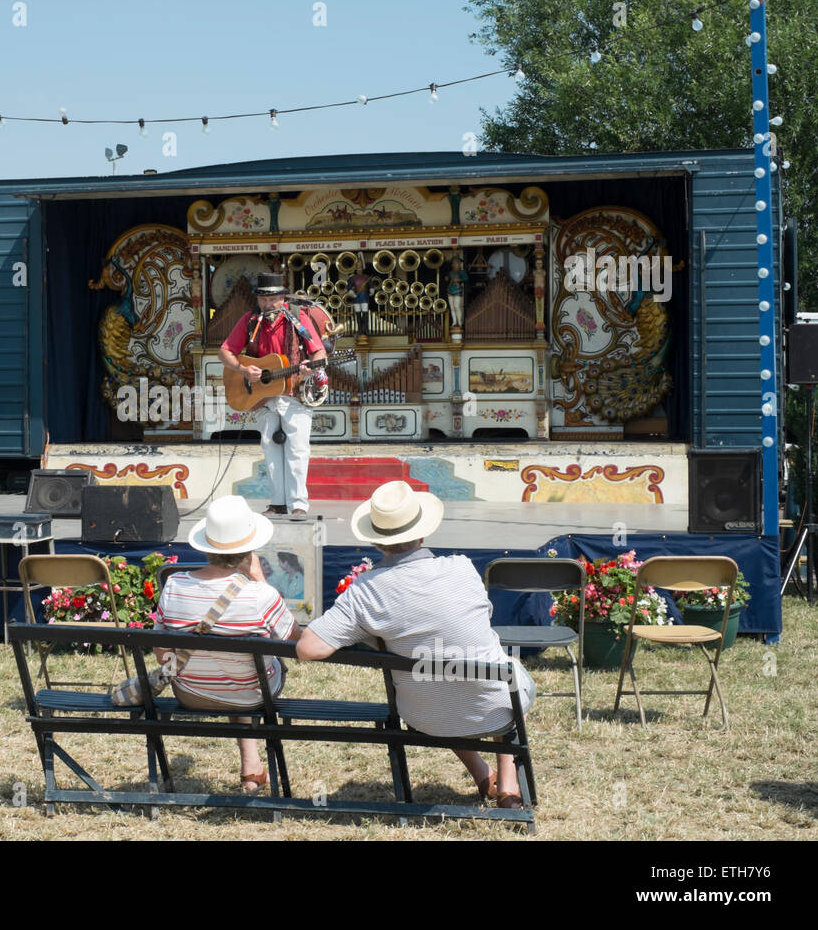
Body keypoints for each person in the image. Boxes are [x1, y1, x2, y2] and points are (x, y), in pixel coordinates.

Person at [296, 481, 536, 809]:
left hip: (425, 715)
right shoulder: (463, 568)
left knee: (439, 685)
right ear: (422, 533)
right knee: (492, 677)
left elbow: (308, 649)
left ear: (375, 541)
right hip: (494, 705)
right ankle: (507, 787)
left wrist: (368, 633)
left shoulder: (365, 591)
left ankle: (484, 776)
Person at [154, 496, 299, 791]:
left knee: (231, 669)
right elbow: (294, 640)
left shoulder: (174, 586)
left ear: (206, 546)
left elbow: (161, 656)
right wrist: (260, 580)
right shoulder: (260, 595)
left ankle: (251, 766)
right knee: (246, 673)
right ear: (248, 551)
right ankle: (252, 767)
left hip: (190, 692)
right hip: (253, 693)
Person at [219, 271, 328, 517]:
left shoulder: (298, 319)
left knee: (297, 449)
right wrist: (243, 369)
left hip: (294, 393)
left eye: (272, 299)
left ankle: (298, 503)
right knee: (269, 447)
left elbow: (318, 352)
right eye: (263, 299)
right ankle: (278, 502)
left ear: (282, 298)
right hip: (262, 395)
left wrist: (310, 367)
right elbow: (224, 352)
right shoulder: (250, 320)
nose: (267, 304)